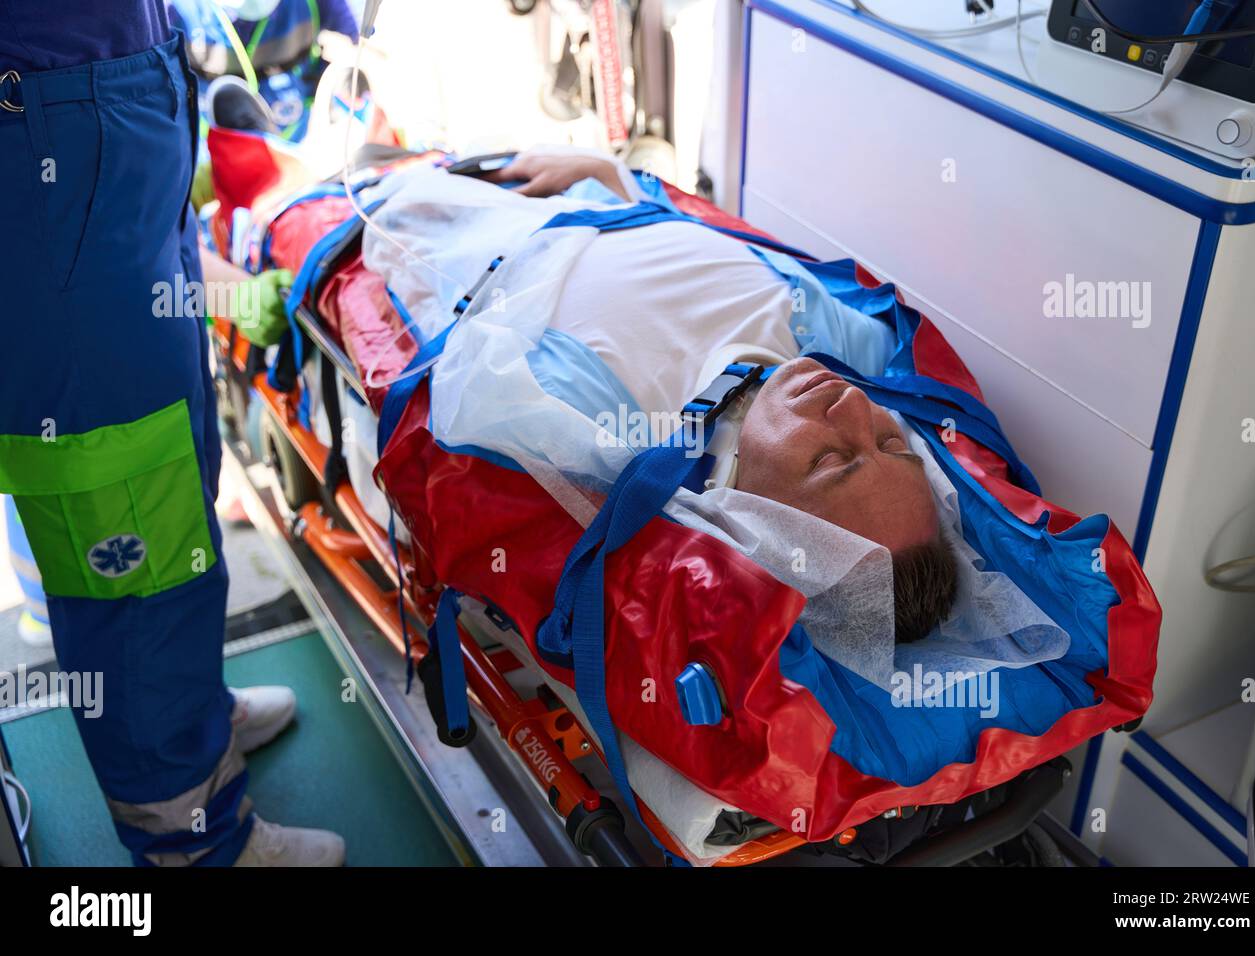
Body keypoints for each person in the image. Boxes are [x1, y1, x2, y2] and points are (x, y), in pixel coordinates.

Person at [0, 0, 344, 866]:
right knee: (123, 502)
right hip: (49, 119)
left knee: (176, 458)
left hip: (118, 96)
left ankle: (194, 717)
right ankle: (192, 832)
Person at [365, 149, 961, 643]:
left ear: (757, 526)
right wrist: (607, 175)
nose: (852, 406)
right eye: (890, 441)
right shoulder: (853, 347)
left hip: (456, 213)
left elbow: (472, 392)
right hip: (595, 188)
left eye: (830, 459)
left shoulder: (605, 432)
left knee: (371, 166)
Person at [169, 0, 359, 143]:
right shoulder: (175, 11)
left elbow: (362, 53)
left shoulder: (314, 4)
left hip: (298, 147)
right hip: (212, 156)